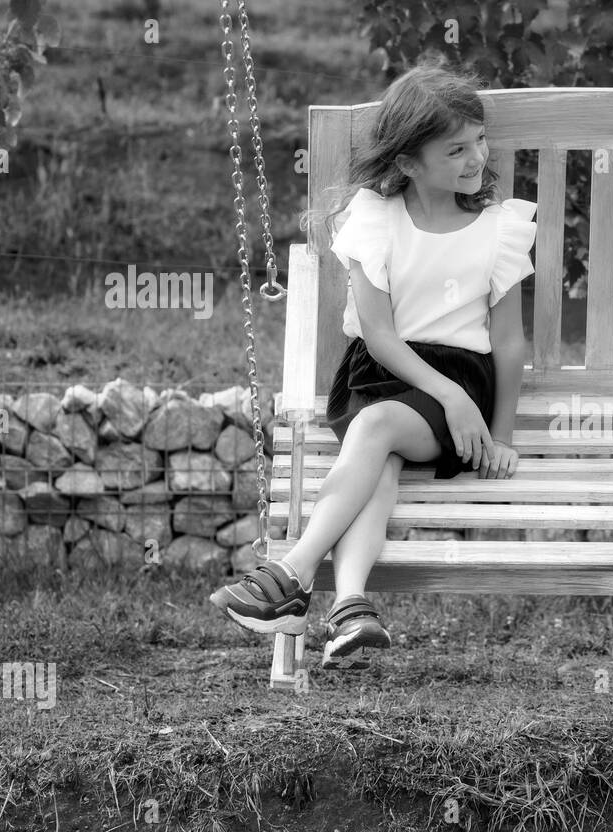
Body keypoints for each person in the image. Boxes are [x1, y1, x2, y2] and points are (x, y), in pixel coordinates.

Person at [209, 61, 536, 669]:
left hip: (457, 387)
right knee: (376, 460)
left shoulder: (499, 230)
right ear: (409, 162)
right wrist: (449, 397)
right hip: (377, 375)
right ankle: (351, 607)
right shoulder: (376, 219)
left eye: (480, 142)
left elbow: (511, 343)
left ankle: (292, 573)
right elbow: (381, 338)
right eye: (456, 150)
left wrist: (501, 431)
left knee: (379, 430)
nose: (476, 159)